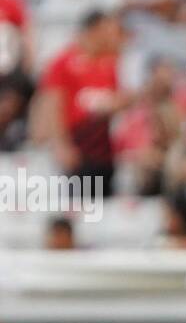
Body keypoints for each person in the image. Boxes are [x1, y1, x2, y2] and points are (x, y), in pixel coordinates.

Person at [33, 10, 129, 192]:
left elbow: (119, 99)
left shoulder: (110, 63)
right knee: (83, 201)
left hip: (104, 144)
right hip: (78, 143)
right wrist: (61, 144)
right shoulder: (63, 62)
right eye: (107, 31)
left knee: (105, 198)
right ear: (94, 31)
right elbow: (53, 104)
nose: (111, 36)